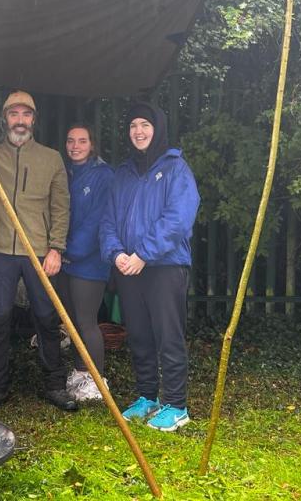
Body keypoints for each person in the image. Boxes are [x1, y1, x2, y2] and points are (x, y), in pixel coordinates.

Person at [0, 90, 76, 412]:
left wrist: (56, 248)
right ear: (4, 119)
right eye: (14, 114)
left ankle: (55, 385)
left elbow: (61, 206)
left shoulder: (51, 158)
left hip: (39, 251)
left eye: (25, 115)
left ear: (33, 120)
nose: (19, 121)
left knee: (47, 319)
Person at [99, 102, 199, 432]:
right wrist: (116, 255)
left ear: (157, 128)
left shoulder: (175, 169)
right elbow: (109, 220)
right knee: (139, 335)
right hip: (128, 268)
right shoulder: (123, 173)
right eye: (133, 126)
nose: (138, 131)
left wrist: (143, 254)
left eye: (145, 124)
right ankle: (147, 397)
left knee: (168, 335)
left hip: (164, 267)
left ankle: (176, 405)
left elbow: (177, 220)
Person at [59, 124, 114, 401]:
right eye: (71, 141)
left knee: (87, 321)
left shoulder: (104, 175)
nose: (75, 146)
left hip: (89, 262)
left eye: (82, 141)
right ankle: (81, 372)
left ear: (92, 144)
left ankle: (96, 380)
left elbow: (97, 221)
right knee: (74, 323)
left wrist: (72, 250)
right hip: (67, 259)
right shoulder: (66, 172)